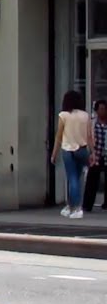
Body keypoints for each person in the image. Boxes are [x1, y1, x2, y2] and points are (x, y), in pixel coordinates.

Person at [53, 89, 92, 219]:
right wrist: (93, 153)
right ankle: (72, 206)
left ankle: (75, 207)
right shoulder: (85, 116)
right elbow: (90, 136)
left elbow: (59, 136)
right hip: (82, 149)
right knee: (78, 178)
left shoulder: (63, 115)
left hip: (67, 149)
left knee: (72, 178)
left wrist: (54, 154)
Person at [83, 99, 107, 213]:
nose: (103, 111)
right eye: (101, 109)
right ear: (96, 110)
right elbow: (88, 138)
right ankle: (87, 204)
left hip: (106, 154)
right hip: (95, 155)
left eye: (105, 109)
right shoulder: (92, 123)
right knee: (92, 180)